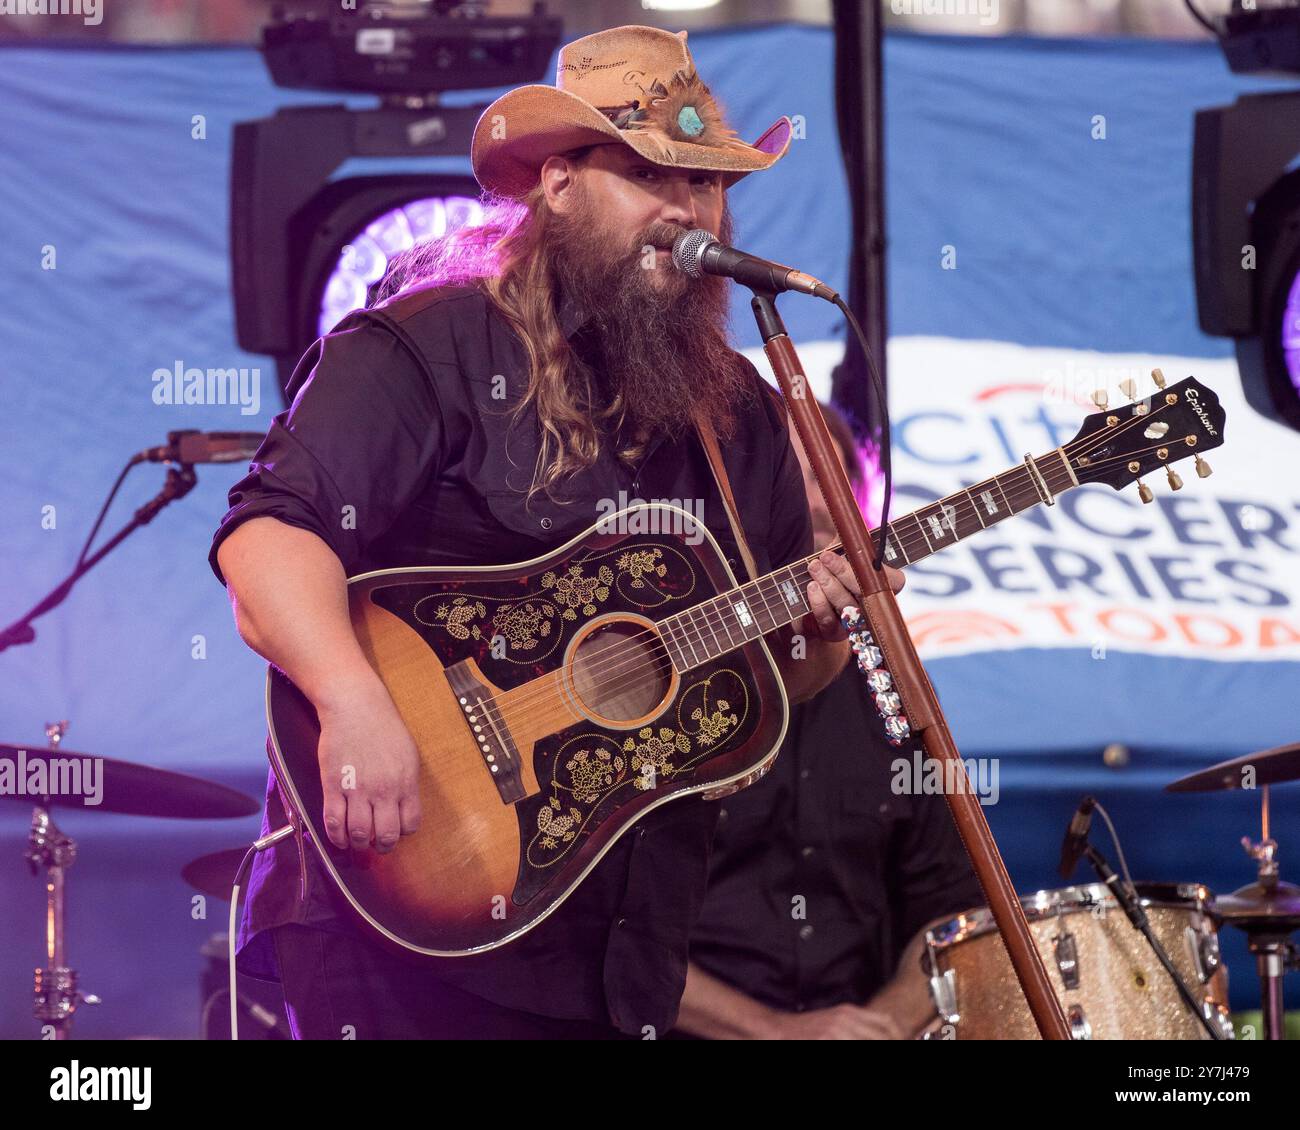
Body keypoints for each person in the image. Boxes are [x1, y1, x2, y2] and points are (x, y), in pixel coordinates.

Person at [209, 24, 899, 1040]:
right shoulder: (428, 345)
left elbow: (768, 674)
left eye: (707, 185)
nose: (687, 211)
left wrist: (826, 624)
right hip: (403, 919)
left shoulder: (739, 417)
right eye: (650, 175)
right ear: (561, 182)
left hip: (623, 948)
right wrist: (354, 701)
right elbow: (268, 536)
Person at [674, 404, 984, 1040]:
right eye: (788, 477)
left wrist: (884, 1024)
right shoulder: (664, 680)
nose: (812, 505)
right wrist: (777, 1032)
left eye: (829, 481)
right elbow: (597, 936)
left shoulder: (891, 689)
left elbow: (953, 910)